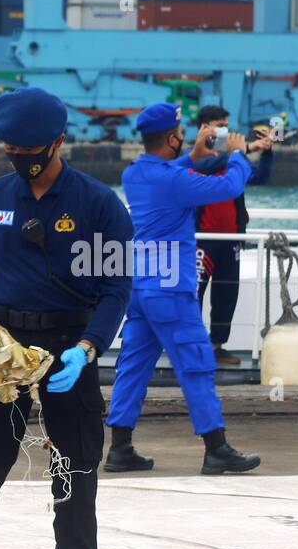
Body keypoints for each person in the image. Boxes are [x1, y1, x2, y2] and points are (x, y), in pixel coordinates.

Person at [0, 86, 133, 549]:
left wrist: (89, 349)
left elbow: (116, 288)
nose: (21, 157)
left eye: (31, 148)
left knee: (74, 468)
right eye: (11, 148)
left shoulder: (99, 204)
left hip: (68, 349)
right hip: (4, 351)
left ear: (58, 143)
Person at [105, 102, 263, 477]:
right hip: (171, 288)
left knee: (134, 366)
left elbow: (171, 170)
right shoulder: (174, 181)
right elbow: (229, 185)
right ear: (172, 137)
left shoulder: (136, 173)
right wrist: (239, 154)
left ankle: (120, 448)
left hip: (140, 284)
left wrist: (194, 155)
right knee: (196, 364)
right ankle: (216, 447)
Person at [190, 105, 275, 366]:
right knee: (193, 294)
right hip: (201, 239)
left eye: (227, 123)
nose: (226, 129)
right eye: (220, 124)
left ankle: (217, 346)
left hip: (231, 240)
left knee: (227, 294)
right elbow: (205, 164)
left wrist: (268, 153)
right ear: (204, 128)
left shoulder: (235, 159)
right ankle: (190, 347)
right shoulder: (195, 159)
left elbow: (259, 177)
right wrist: (242, 151)